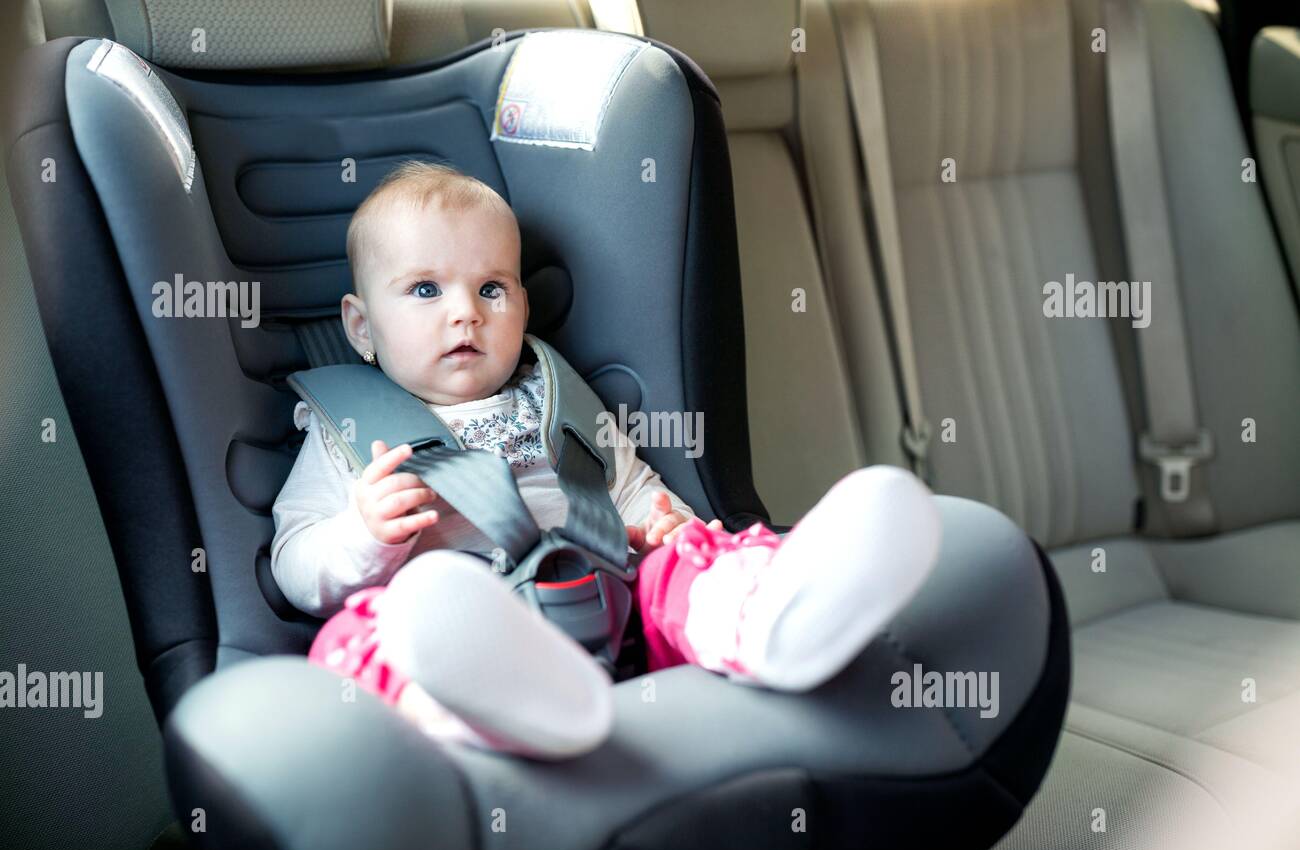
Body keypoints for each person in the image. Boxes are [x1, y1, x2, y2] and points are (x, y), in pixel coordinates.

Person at [271, 161, 942, 760]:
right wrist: (363, 534)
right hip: (460, 618)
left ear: (523, 306)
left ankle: (767, 617)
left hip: (604, 605)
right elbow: (297, 566)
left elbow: (629, 491)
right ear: (361, 327)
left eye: (491, 289)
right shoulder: (349, 433)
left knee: (692, 560)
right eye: (425, 290)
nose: (464, 315)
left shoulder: (555, 397)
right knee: (356, 640)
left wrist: (660, 526)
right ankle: (480, 708)